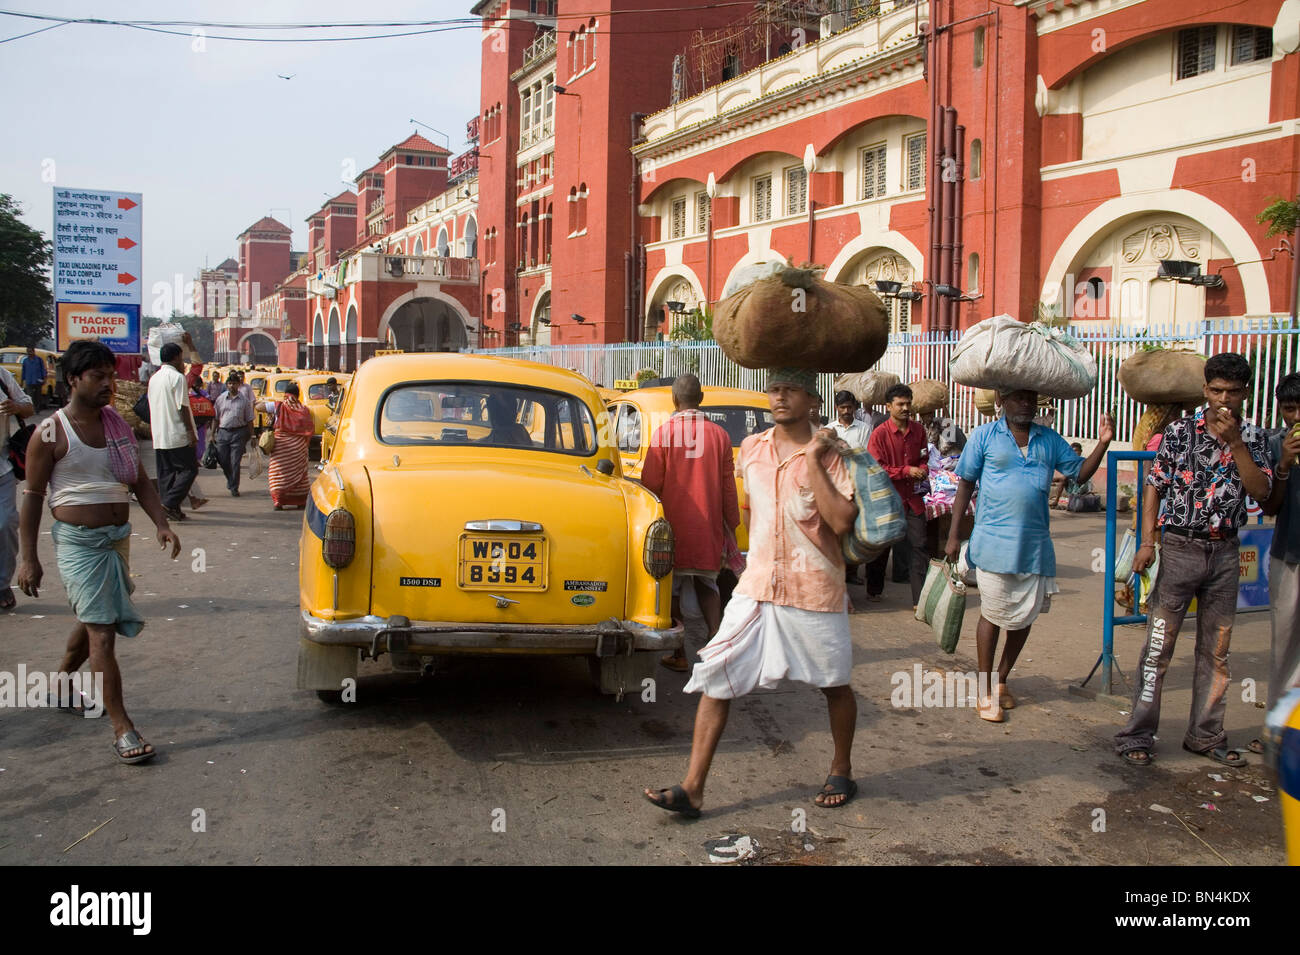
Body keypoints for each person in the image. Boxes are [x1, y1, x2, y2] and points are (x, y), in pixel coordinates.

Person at [643, 368, 859, 817]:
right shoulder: (754, 450)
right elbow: (745, 507)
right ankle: (693, 788)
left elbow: (841, 522)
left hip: (814, 587)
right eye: (774, 389)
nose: (779, 397)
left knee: (834, 685)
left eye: (790, 389)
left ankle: (842, 768)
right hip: (757, 586)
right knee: (717, 675)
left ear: (812, 400)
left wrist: (815, 459)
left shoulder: (835, 452)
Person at [16, 339, 181, 764]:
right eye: (98, 376)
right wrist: (28, 557)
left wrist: (161, 523)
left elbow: (141, 481)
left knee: (95, 616)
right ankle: (122, 726)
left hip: (116, 539)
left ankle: (59, 681)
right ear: (73, 380)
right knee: (102, 632)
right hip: (77, 544)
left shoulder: (117, 426)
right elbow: (33, 496)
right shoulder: (50, 432)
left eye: (111, 375)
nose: (109, 384)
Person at [1114, 354, 1273, 767]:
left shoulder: (1255, 438)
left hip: (1225, 554)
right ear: (1205, 390)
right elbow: (1155, 487)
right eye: (1216, 391)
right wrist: (1147, 542)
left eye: (1233, 392)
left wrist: (1236, 443)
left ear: (1245, 393)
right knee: (1158, 647)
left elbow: (1263, 495)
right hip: (1181, 549)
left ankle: (1204, 735)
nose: (1223, 400)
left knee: (1216, 650)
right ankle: (1138, 734)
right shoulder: (1180, 432)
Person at [946, 389, 1113, 722]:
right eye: (1016, 398)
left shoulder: (1049, 440)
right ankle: (984, 690)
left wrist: (1105, 442)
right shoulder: (983, 436)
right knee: (992, 614)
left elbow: (1079, 475)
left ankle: (1001, 680)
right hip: (992, 542)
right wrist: (953, 535)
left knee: (1025, 616)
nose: (1024, 404)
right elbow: (965, 484)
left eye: (1029, 398)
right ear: (1001, 402)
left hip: (1034, 545)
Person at [641, 374, 741, 673]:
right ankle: (715, 642)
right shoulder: (720, 435)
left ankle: (679, 654)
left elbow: (650, 484)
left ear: (675, 399)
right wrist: (731, 523)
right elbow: (727, 486)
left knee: (670, 589)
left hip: (672, 526)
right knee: (706, 583)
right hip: (708, 526)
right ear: (701, 399)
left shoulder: (663, 433)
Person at [1252, 373, 1300, 756]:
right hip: (1289, 555)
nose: (1296, 416)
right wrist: (1284, 464)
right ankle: (1277, 734)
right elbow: (1269, 506)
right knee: (1283, 648)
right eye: (1290, 409)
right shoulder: (1275, 445)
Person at [865, 384, 931, 607]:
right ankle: (874, 589)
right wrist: (905, 471)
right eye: (900, 404)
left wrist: (922, 469)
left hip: (913, 499)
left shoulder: (919, 430)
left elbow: (924, 457)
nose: (905, 408)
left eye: (908, 403)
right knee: (882, 546)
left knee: (919, 545)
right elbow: (876, 468)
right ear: (889, 406)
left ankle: (919, 599)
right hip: (887, 500)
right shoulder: (879, 434)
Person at [147, 342, 199, 522]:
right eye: (181, 357)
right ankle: (168, 503)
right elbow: (183, 407)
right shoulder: (177, 377)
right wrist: (191, 432)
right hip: (177, 433)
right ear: (176, 358)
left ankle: (172, 509)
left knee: (166, 474)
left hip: (160, 434)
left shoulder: (154, 378)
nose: (183, 361)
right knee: (189, 470)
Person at [0, 362, 36, 610]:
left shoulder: (1, 376)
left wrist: (15, 407)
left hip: (1, 466)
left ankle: (2, 584)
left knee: (5, 523)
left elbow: (29, 407)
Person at [255, 381, 315, 509]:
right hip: (299, 448)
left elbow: (259, 407)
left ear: (285, 395)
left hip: (281, 448)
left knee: (278, 472)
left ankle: (279, 501)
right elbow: (309, 428)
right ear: (298, 396)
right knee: (300, 474)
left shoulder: (279, 406)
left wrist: (273, 406)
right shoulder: (304, 410)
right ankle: (300, 501)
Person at [213, 372, 255, 496]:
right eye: (230, 383)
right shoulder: (220, 399)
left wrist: (252, 436)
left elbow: (249, 420)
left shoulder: (244, 400)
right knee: (223, 459)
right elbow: (215, 417)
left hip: (239, 433)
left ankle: (234, 487)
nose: (232, 386)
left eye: (234, 383)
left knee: (235, 461)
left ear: (238, 385)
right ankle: (231, 480)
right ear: (226, 385)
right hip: (223, 432)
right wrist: (212, 435)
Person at [1050, 442, 1093, 508]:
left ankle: (1051, 480)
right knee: (1063, 480)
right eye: (1072, 451)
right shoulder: (1070, 461)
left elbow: (1087, 477)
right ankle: (1056, 501)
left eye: (1076, 451)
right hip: (1073, 485)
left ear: (1080, 451)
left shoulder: (1084, 461)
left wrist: (1090, 491)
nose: (1074, 453)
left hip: (1082, 485)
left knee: (1063, 478)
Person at [20, 346, 46, 410]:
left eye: (30, 351)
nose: (29, 353)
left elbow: (43, 369)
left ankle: (37, 408)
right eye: (28, 352)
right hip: (29, 380)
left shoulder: (39, 360)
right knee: (29, 395)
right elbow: (24, 371)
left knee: (37, 395)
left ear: (34, 351)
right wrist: (22, 381)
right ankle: (32, 408)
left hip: (38, 380)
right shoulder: (25, 361)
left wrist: (44, 378)